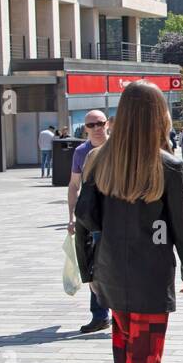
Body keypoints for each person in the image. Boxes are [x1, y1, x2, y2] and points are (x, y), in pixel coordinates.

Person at [74, 81, 183, 363]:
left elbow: (84, 221)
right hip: (149, 280)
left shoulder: (98, 160)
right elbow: (181, 227)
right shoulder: (165, 164)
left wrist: (88, 271)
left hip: (110, 276)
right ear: (158, 116)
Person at [69, 110, 111, 334]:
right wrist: (70, 217)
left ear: (107, 124)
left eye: (100, 123)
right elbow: (74, 185)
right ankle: (100, 315)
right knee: (94, 267)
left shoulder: (118, 148)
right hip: (91, 218)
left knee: (115, 265)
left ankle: (122, 311)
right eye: (91, 125)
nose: (96, 128)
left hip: (115, 217)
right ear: (85, 128)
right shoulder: (80, 152)